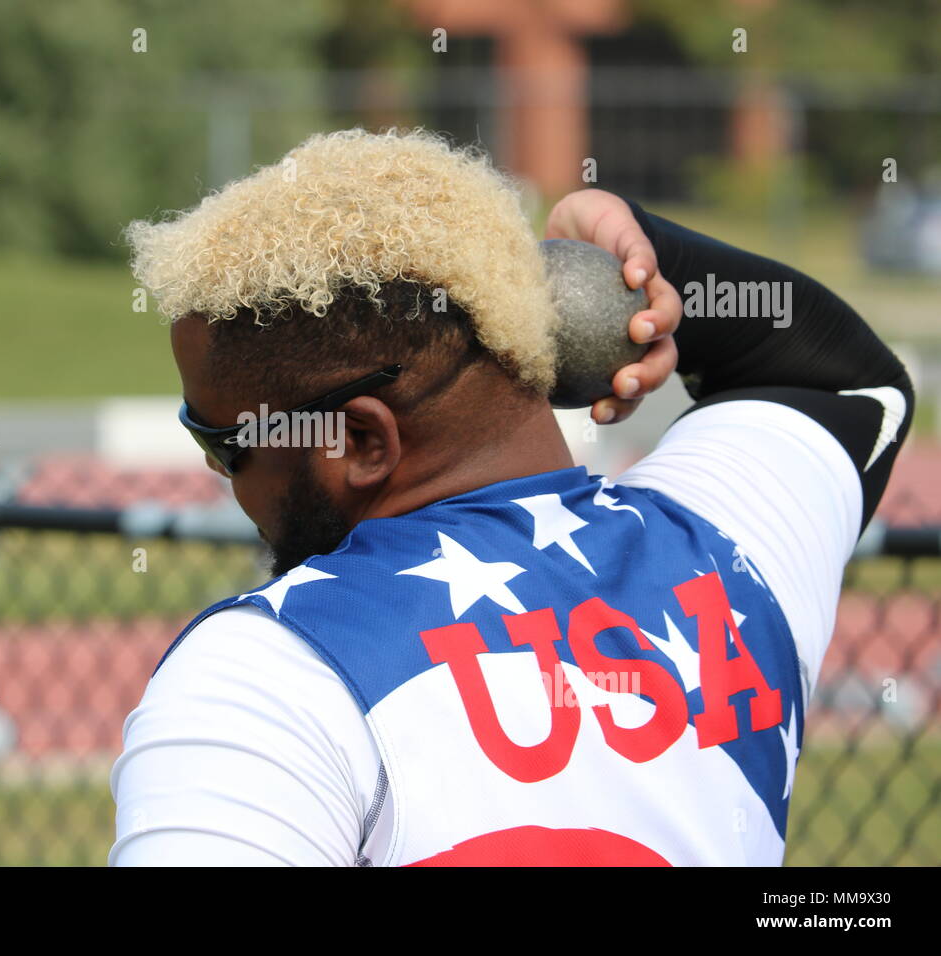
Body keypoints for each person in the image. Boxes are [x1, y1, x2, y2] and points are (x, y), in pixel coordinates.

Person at [109, 129, 913, 866]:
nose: (220, 474)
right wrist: (643, 266)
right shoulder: (726, 549)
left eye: (225, 441)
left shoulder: (263, 678)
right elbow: (845, 377)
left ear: (356, 442)